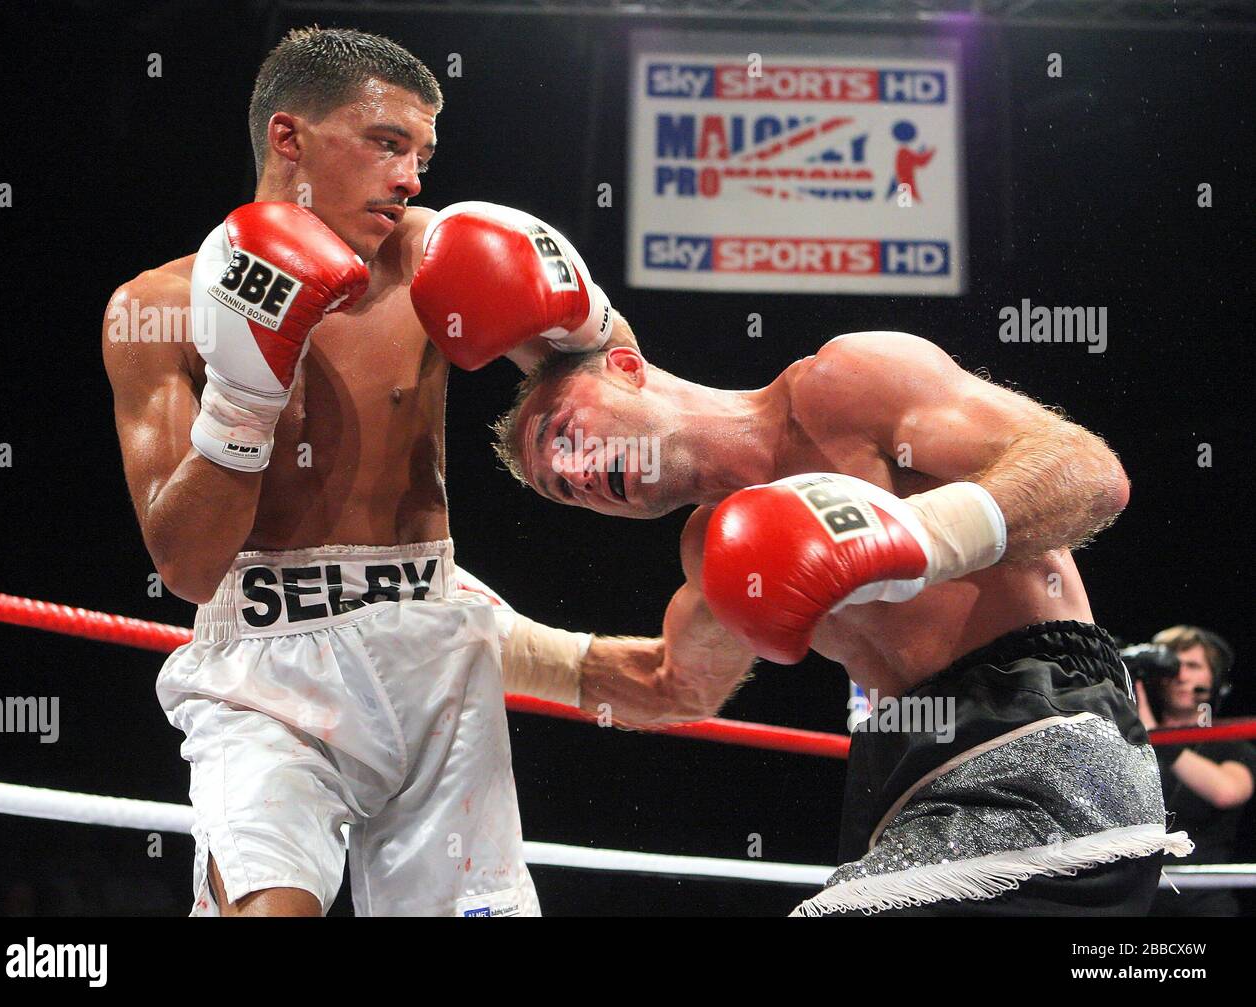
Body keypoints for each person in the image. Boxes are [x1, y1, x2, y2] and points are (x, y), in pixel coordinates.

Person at [102, 26, 750, 918]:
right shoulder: (158, 309)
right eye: (386, 144)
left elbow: (609, 368)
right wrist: (245, 400)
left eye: (422, 154)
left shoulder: (434, 258)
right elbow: (184, 566)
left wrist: (691, 429)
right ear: (289, 139)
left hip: (430, 635)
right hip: (263, 660)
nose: (411, 177)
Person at [492, 335, 1193, 915]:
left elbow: (1090, 472)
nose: (574, 472)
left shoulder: (843, 387)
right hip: (903, 785)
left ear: (625, 366)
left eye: (564, 434)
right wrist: (500, 646)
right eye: (559, 486)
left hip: (1044, 734)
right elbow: (673, 684)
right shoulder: (713, 551)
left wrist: (917, 535)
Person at [1140, 626, 1255, 916]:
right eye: (1172, 666)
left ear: (1213, 679)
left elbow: (1227, 792)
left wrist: (1158, 737)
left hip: (1201, 905)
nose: (1181, 676)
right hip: (1135, 904)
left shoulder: (1229, 746)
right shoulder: (1129, 744)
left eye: (1192, 666)